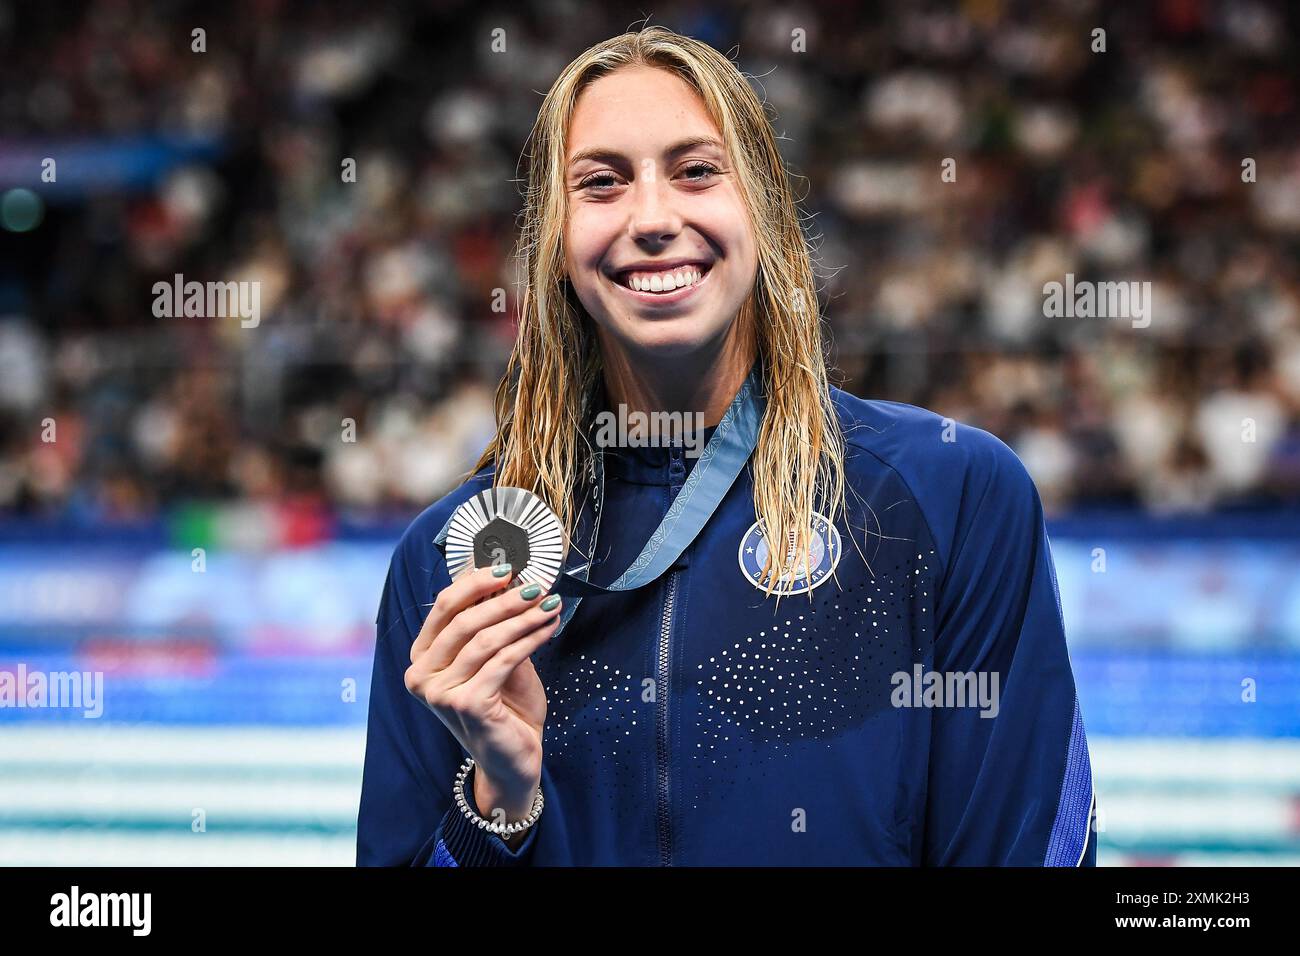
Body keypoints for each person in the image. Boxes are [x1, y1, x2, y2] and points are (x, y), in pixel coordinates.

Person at [356, 26, 1096, 866]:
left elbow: (1028, 844)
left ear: (764, 208)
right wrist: (499, 802)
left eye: (696, 171)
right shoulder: (456, 563)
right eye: (601, 184)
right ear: (557, 246)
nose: (652, 219)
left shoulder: (950, 497)